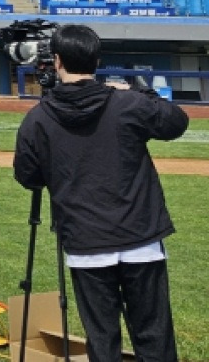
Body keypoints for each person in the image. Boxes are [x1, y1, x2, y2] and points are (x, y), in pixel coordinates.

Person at [14, 24, 188, 362]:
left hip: (85, 244)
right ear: (96, 62)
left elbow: (28, 176)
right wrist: (141, 91)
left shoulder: (38, 119)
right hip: (141, 239)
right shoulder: (128, 103)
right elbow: (176, 122)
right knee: (153, 335)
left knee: (102, 339)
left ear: (58, 61)